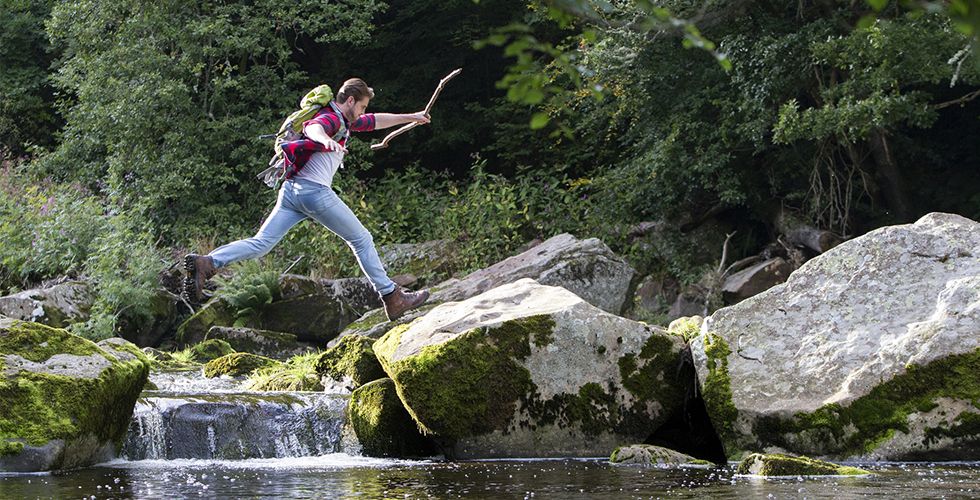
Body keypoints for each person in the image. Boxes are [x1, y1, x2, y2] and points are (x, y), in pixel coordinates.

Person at [184, 78, 430, 321]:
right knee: (361, 239)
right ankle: (392, 297)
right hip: (314, 193)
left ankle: (208, 262)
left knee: (262, 243)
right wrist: (324, 140)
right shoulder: (331, 118)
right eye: (362, 106)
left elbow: (374, 121)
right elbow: (314, 127)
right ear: (351, 100)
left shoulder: (344, 120)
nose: (363, 112)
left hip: (292, 192)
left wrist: (412, 116)